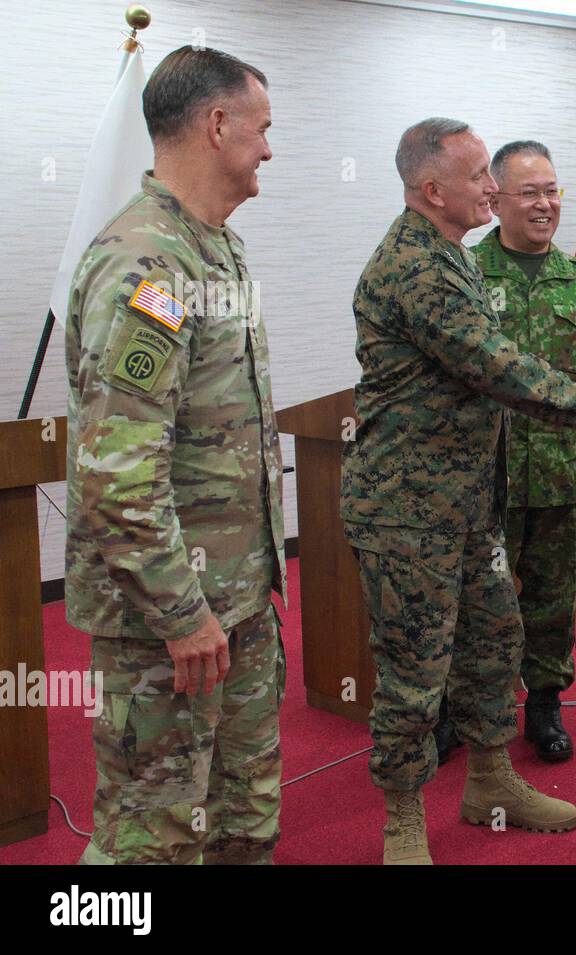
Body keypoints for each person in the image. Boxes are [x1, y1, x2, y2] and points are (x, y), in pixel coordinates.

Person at [341, 118, 576, 864]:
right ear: (432, 188)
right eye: (481, 178)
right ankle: (403, 816)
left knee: (493, 644)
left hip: (472, 504)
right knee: (413, 671)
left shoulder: (452, 254)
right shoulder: (415, 267)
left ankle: (491, 780)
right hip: (408, 509)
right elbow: (498, 365)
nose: (494, 189)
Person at [65, 46, 285, 865]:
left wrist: (240, 598)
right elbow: (117, 477)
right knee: (149, 835)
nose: (269, 148)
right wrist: (180, 611)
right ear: (217, 124)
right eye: (262, 130)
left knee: (241, 812)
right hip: (170, 621)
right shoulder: (146, 264)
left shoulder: (214, 247)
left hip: (236, 602)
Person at [464, 140, 576, 762]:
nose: (545, 204)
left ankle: (545, 704)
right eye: (530, 192)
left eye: (553, 191)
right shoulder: (467, 275)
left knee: (553, 597)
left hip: (558, 472)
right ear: (497, 198)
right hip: (486, 475)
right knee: (479, 598)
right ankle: (473, 710)